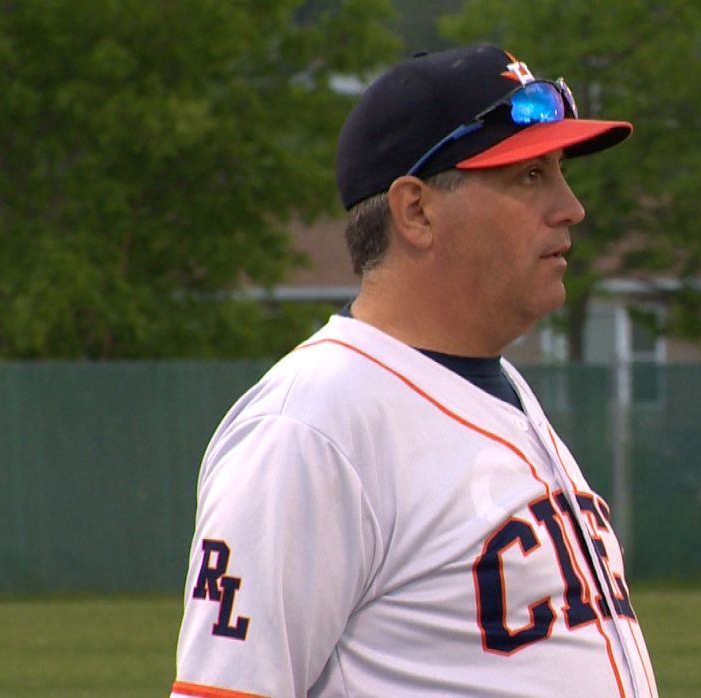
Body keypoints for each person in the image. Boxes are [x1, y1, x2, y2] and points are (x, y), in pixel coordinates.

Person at [171, 44, 657, 698]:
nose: (570, 207)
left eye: (559, 171)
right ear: (417, 211)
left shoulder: (498, 386)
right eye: (529, 177)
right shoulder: (312, 426)